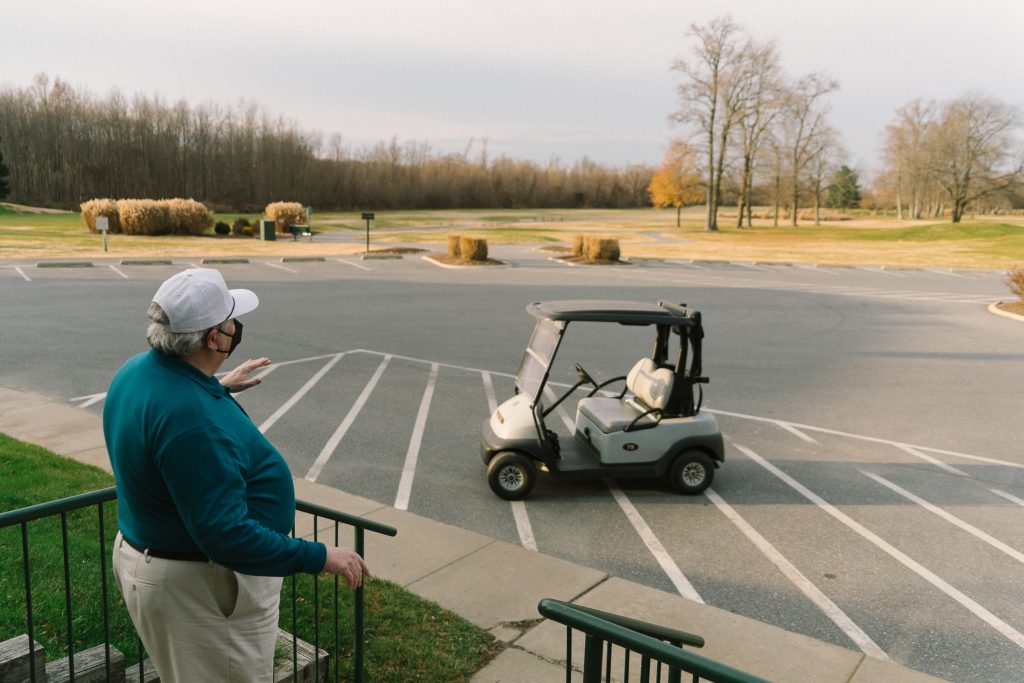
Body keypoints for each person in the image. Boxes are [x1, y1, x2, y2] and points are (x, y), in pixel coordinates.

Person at [103, 267, 369, 682]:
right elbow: (225, 534)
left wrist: (214, 387)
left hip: (164, 563)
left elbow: (166, 423)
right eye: (231, 320)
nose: (235, 326)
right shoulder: (192, 421)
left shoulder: (136, 372)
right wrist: (320, 557)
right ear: (214, 338)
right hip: (201, 586)